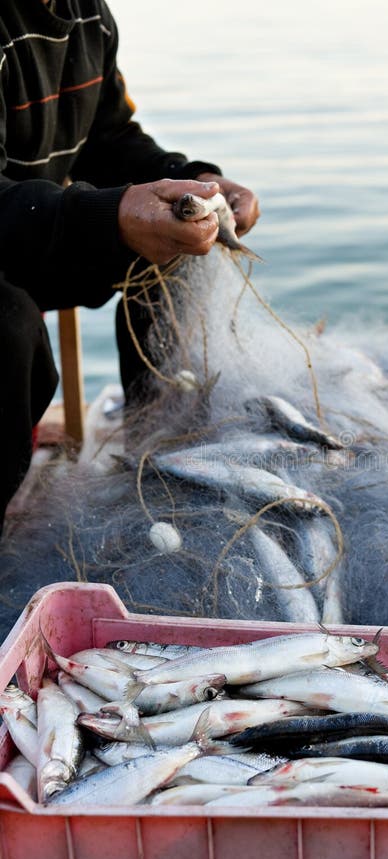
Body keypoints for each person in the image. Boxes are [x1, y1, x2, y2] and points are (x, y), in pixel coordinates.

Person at [0, 0, 260, 535]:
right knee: (9, 322)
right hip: (11, 244)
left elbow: (110, 137)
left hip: (34, 232)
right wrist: (112, 214)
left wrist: (194, 177)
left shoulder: (89, 15)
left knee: (176, 256)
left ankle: (161, 465)